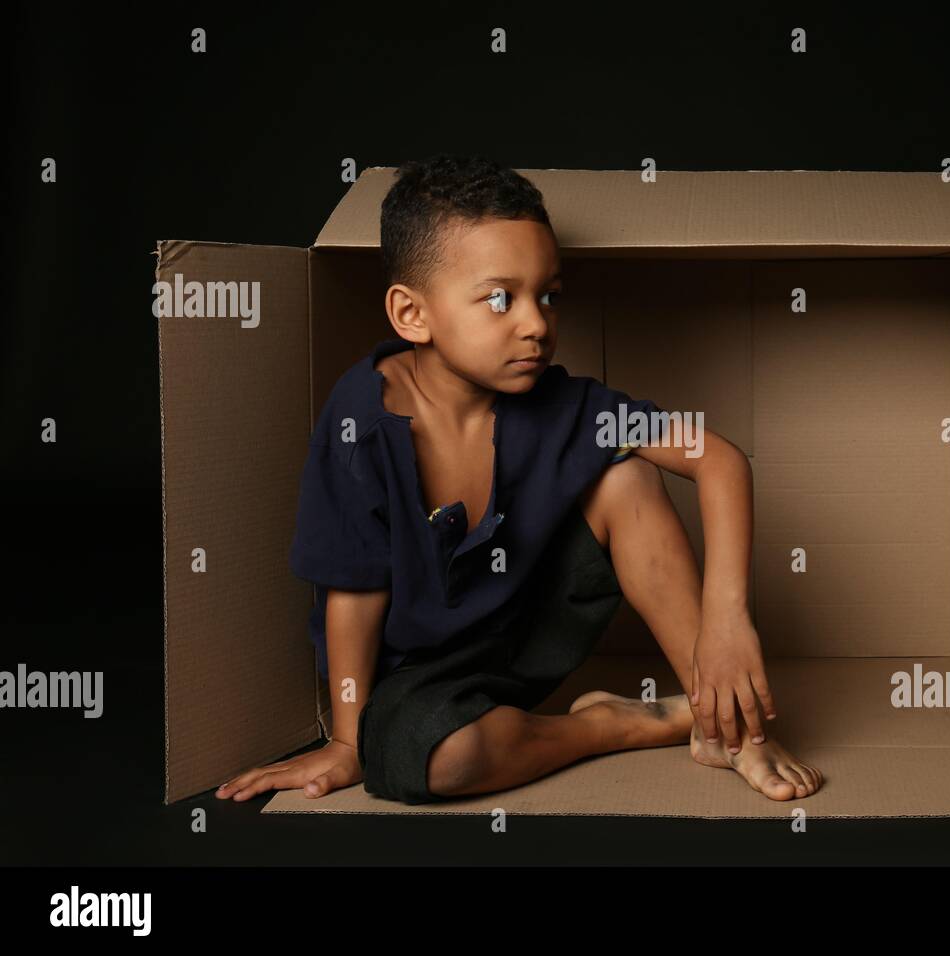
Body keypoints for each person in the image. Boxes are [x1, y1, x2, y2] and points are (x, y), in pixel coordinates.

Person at [215, 154, 823, 805]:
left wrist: (725, 620)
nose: (536, 323)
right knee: (437, 760)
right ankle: (609, 726)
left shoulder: (561, 405)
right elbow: (353, 595)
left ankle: (723, 728)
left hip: (523, 646)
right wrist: (344, 741)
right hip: (417, 684)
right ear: (412, 314)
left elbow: (719, 458)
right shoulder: (361, 422)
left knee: (627, 477)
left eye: (549, 296)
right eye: (500, 298)